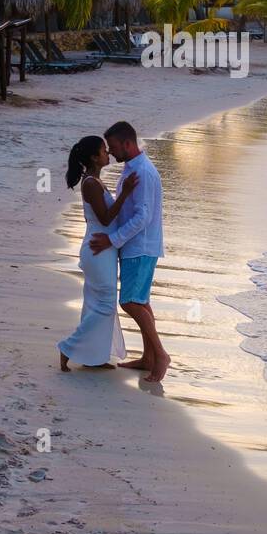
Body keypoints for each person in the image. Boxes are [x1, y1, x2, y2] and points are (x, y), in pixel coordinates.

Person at [89, 120, 170, 383]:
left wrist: (113, 240)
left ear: (127, 143)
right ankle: (149, 357)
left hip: (140, 246)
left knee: (130, 302)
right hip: (138, 246)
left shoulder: (143, 172)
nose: (110, 153)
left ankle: (161, 355)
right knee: (141, 301)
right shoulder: (132, 169)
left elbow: (142, 217)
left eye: (113, 147)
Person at [57, 136, 138, 372]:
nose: (109, 154)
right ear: (94, 157)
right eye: (104, 150)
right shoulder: (91, 183)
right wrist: (125, 193)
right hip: (97, 249)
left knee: (96, 303)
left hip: (103, 248)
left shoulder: (95, 181)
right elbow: (105, 217)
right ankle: (68, 347)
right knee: (105, 303)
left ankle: (93, 356)